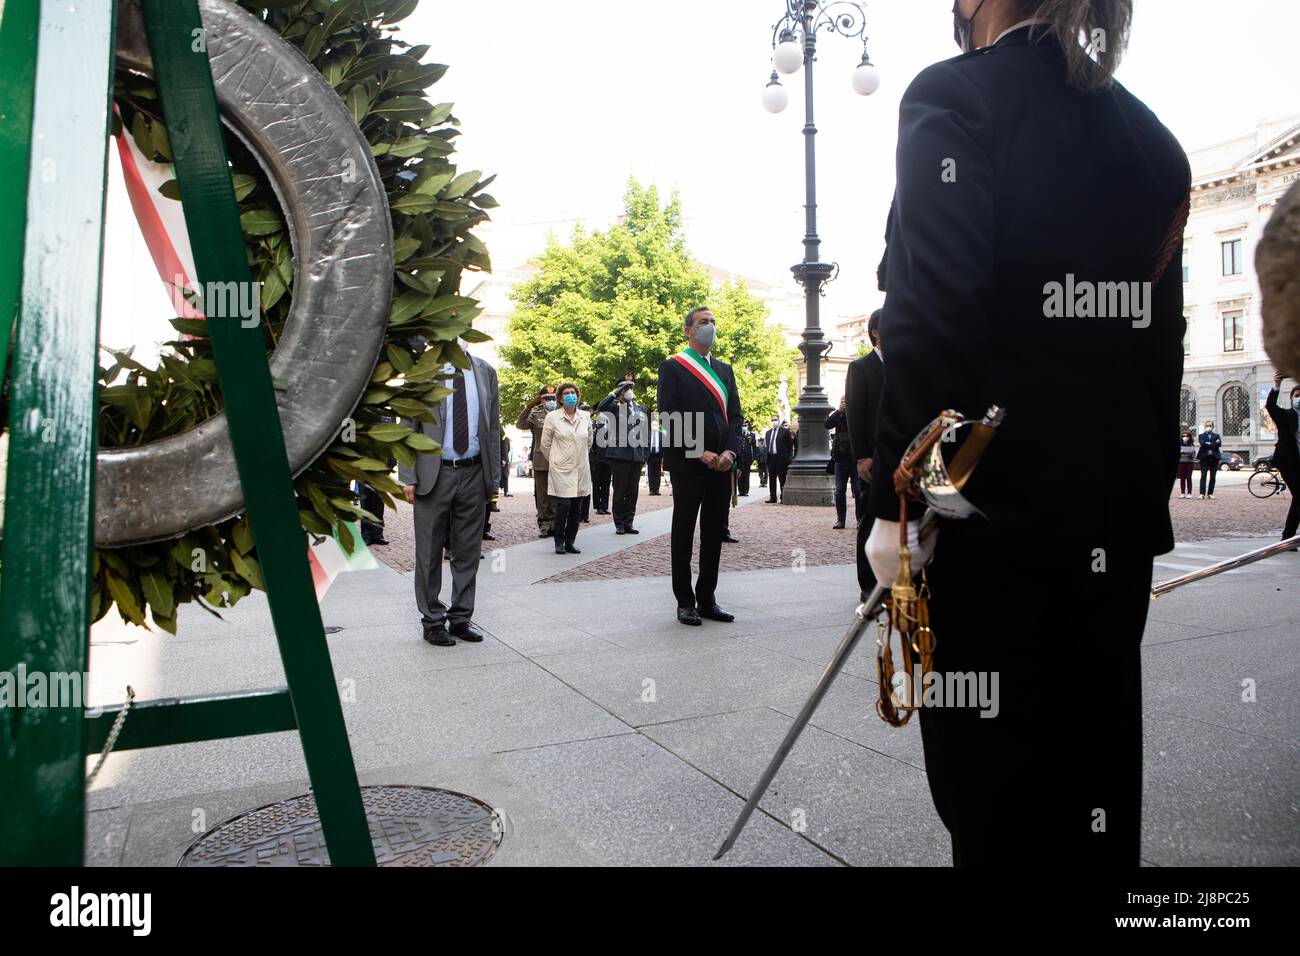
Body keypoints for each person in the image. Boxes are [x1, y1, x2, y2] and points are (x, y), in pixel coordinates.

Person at [864, 0, 1189, 866]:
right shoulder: (1155, 143)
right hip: (1109, 535)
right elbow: (1160, 355)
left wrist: (898, 508)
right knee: (1093, 797)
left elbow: (933, 322)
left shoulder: (956, 97)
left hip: (992, 529)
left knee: (995, 803)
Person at [400, 350, 502, 646]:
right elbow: (407, 423)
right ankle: (432, 620)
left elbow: (492, 428)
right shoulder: (422, 370)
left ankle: (460, 618)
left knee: (468, 550)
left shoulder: (485, 371)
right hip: (434, 473)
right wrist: (407, 475)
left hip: (473, 472)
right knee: (429, 551)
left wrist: (492, 478)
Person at [658, 306, 744, 626]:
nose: (710, 327)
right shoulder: (673, 367)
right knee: (684, 531)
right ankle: (684, 601)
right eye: (703, 322)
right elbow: (668, 415)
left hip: (722, 466)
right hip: (689, 464)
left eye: (712, 322)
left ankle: (707, 597)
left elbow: (735, 418)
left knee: (713, 532)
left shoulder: (724, 370)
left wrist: (730, 453)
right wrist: (699, 451)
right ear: (688, 331)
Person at [846, 309, 885, 599]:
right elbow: (855, 417)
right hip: (873, 458)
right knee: (870, 520)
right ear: (875, 333)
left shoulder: (905, 365)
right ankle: (867, 583)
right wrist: (862, 456)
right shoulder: (861, 368)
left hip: (902, 457)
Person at [540, 382, 593, 554]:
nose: (571, 395)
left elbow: (589, 441)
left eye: (573, 392)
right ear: (560, 399)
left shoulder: (585, 416)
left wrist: (580, 457)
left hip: (580, 468)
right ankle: (559, 540)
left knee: (576, 507)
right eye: (567, 393)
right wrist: (556, 461)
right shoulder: (552, 417)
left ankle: (570, 540)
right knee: (563, 505)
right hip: (561, 470)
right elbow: (545, 445)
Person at [596, 378, 649, 534]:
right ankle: (619, 523)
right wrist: (614, 394)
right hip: (620, 455)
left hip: (637, 455)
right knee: (620, 492)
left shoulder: (641, 409)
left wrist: (645, 453)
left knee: (633, 492)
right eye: (625, 390)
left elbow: (644, 432)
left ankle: (629, 522)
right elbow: (601, 407)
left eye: (630, 388)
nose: (628, 391)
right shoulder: (614, 408)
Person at [516, 385, 557, 538]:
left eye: (553, 398)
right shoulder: (536, 415)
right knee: (542, 495)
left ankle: (557, 523)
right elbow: (520, 425)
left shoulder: (562, 414)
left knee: (558, 494)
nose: (550, 401)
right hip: (541, 459)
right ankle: (545, 524)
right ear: (541, 400)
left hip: (560, 459)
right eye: (547, 398)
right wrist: (528, 407)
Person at [1264, 371, 1300, 543]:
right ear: (1292, 399)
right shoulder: (1286, 416)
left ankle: (1287, 538)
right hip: (1288, 463)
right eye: (1297, 395)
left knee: (1297, 499)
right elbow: (1270, 406)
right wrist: (1277, 385)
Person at [824, 395, 859, 529]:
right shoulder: (838, 416)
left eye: (846, 402)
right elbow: (827, 424)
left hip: (854, 458)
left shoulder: (855, 414)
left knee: (858, 490)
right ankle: (841, 519)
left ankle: (860, 519)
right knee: (839, 491)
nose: (844, 404)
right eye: (842, 402)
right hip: (840, 458)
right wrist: (839, 411)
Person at [763, 416, 794, 503]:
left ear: (779, 421)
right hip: (771, 458)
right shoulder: (768, 433)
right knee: (772, 479)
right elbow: (768, 445)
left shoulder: (785, 432)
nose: (774, 422)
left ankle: (783, 497)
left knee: (782, 479)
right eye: (772, 420)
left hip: (781, 459)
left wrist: (788, 457)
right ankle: (772, 497)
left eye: (775, 420)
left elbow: (789, 446)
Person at [1197, 419, 1222, 499]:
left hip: (1214, 458)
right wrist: (1213, 443)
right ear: (1205, 426)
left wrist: (1209, 443)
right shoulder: (1201, 435)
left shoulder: (1217, 435)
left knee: (1213, 477)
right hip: (1204, 458)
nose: (1208, 427)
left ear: (1213, 427)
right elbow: (1202, 444)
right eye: (1207, 425)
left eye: (1210, 425)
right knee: (1203, 476)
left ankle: (1210, 493)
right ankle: (1202, 493)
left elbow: (1219, 444)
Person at [736, 421, 755, 497]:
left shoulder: (751, 435)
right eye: (743, 425)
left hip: (748, 458)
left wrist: (754, 457)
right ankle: (740, 491)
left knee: (747, 475)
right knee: (740, 474)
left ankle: (746, 491)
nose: (744, 426)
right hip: (740, 458)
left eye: (745, 425)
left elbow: (754, 447)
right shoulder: (738, 434)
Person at [1176, 430, 1196, 499]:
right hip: (1181, 463)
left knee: (1189, 478)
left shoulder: (1192, 445)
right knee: (1182, 478)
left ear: (1189, 437)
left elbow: (1192, 452)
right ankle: (1182, 493)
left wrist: (1183, 452)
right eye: (1183, 436)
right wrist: (1187, 452)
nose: (1185, 437)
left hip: (1189, 463)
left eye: (1187, 436)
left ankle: (1189, 493)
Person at [646, 418, 664, 495]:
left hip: (658, 455)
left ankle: (656, 490)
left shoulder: (661, 434)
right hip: (649, 456)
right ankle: (651, 490)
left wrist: (663, 456)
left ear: (658, 426)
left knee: (657, 473)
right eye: (653, 425)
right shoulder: (648, 434)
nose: (654, 426)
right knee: (650, 473)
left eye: (656, 425)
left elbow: (663, 445)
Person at [499, 434, 512, 498]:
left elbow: (507, 449)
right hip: (503, 459)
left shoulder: (504, 438)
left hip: (501, 459)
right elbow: (508, 449)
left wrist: (503, 458)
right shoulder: (506, 438)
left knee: (504, 476)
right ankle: (505, 491)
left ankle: (505, 491)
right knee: (505, 476)